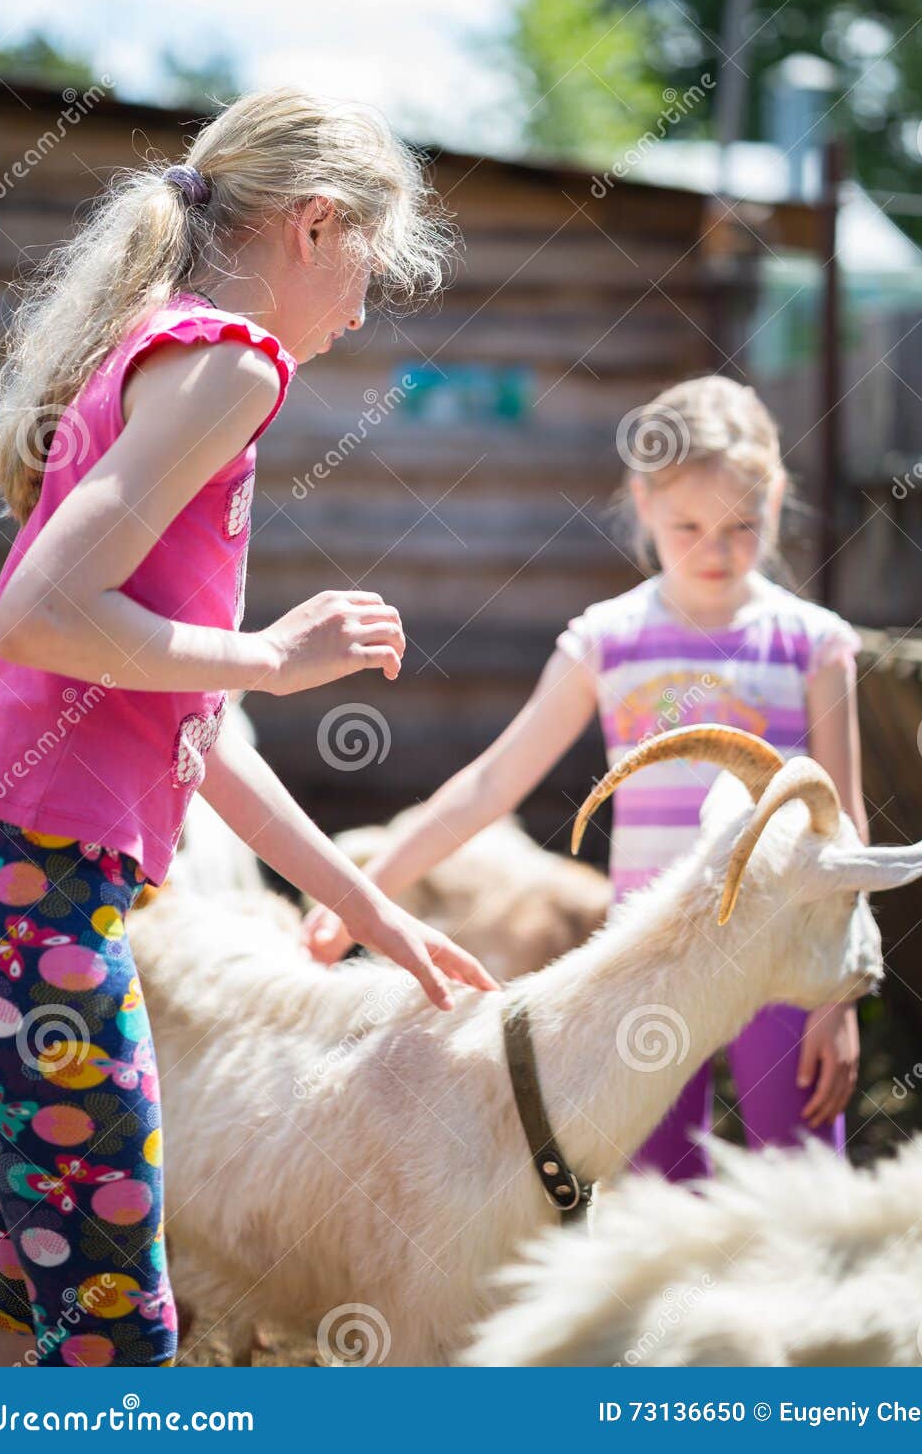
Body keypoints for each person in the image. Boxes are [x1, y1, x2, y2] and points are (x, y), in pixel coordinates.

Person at [0, 88, 498, 1368]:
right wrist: (271, 656)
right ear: (315, 225)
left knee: (19, 1303)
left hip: (12, 880)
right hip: (36, 895)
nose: (363, 307)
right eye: (368, 262)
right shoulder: (229, 363)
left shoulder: (153, 349)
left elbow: (191, 737)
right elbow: (44, 615)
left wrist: (376, 916)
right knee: (120, 1334)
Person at [305, 374, 867, 1179]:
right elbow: (490, 784)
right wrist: (362, 896)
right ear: (641, 502)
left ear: (776, 499)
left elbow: (839, 821)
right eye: (688, 525)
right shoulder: (607, 641)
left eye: (742, 525)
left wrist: (838, 996)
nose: (717, 549)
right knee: (654, 1183)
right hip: (649, 955)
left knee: (801, 1173)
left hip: (782, 950)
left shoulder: (813, 645)